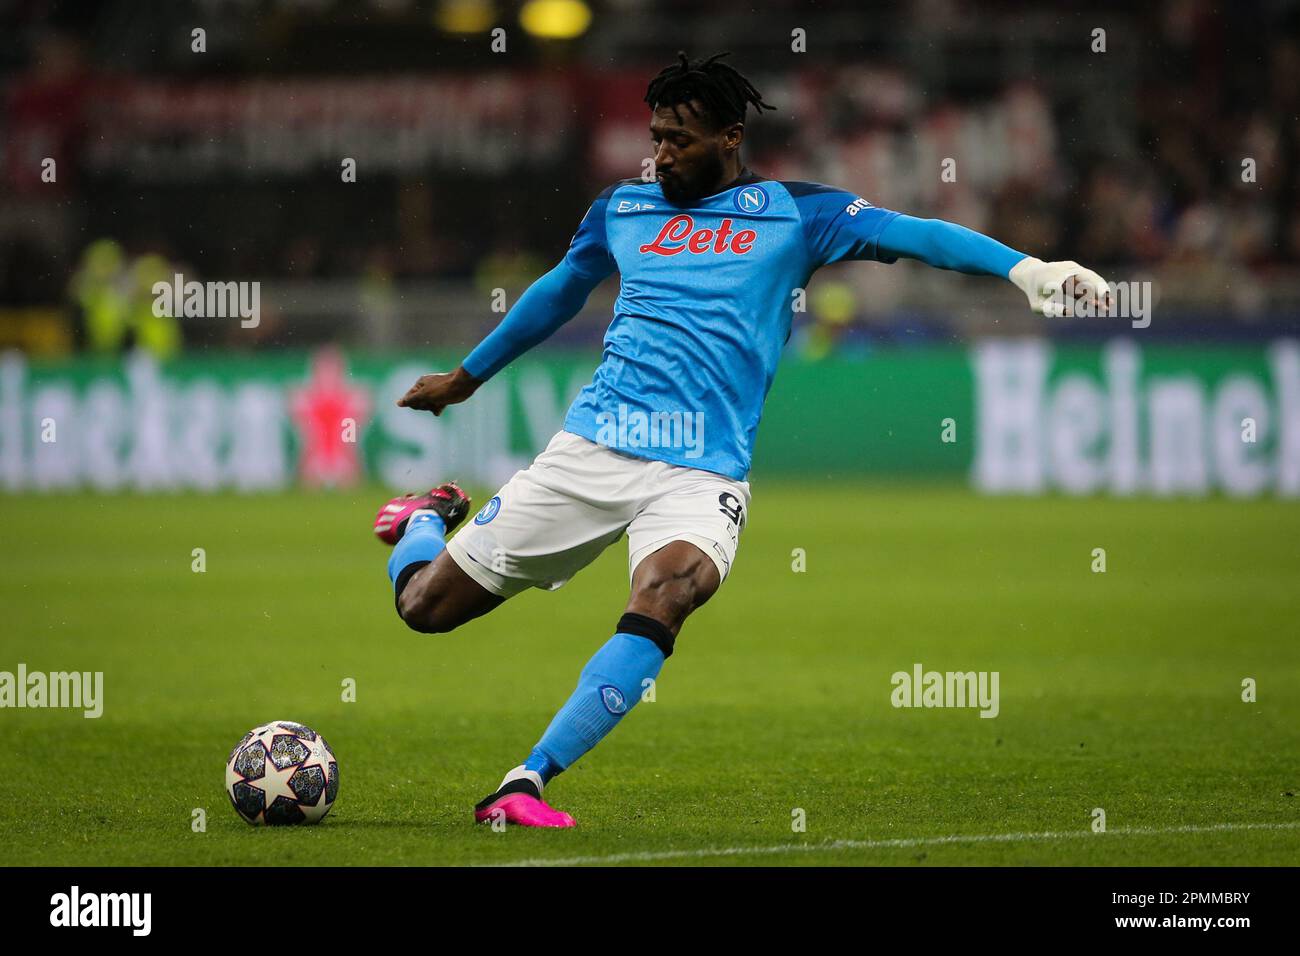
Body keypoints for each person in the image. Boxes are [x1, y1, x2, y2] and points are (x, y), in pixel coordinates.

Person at [373, 52, 1110, 828]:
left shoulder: (797, 213)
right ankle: (422, 523)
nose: (659, 155)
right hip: (594, 449)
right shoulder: (622, 209)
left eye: (678, 141)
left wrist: (1027, 269)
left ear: (730, 138)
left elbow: (915, 233)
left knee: (669, 592)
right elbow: (562, 288)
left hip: (702, 472)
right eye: (655, 138)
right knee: (425, 608)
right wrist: (468, 377)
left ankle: (525, 783)